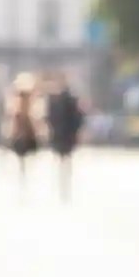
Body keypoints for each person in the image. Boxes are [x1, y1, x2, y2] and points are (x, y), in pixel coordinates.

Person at [46, 73, 85, 202]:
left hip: (64, 134)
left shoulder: (60, 100)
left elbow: (77, 117)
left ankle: (64, 181)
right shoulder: (59, 99)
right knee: (65, 158)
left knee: (64, 158)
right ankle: (63, 181)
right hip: (65, 134)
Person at [5, 73, 42, 195]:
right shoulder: (18, 108)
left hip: (27, 134)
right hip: (22, 134)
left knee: (28, 159)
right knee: (23, 159)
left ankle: (26, 180)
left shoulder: (28, 107)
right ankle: (24, 180)